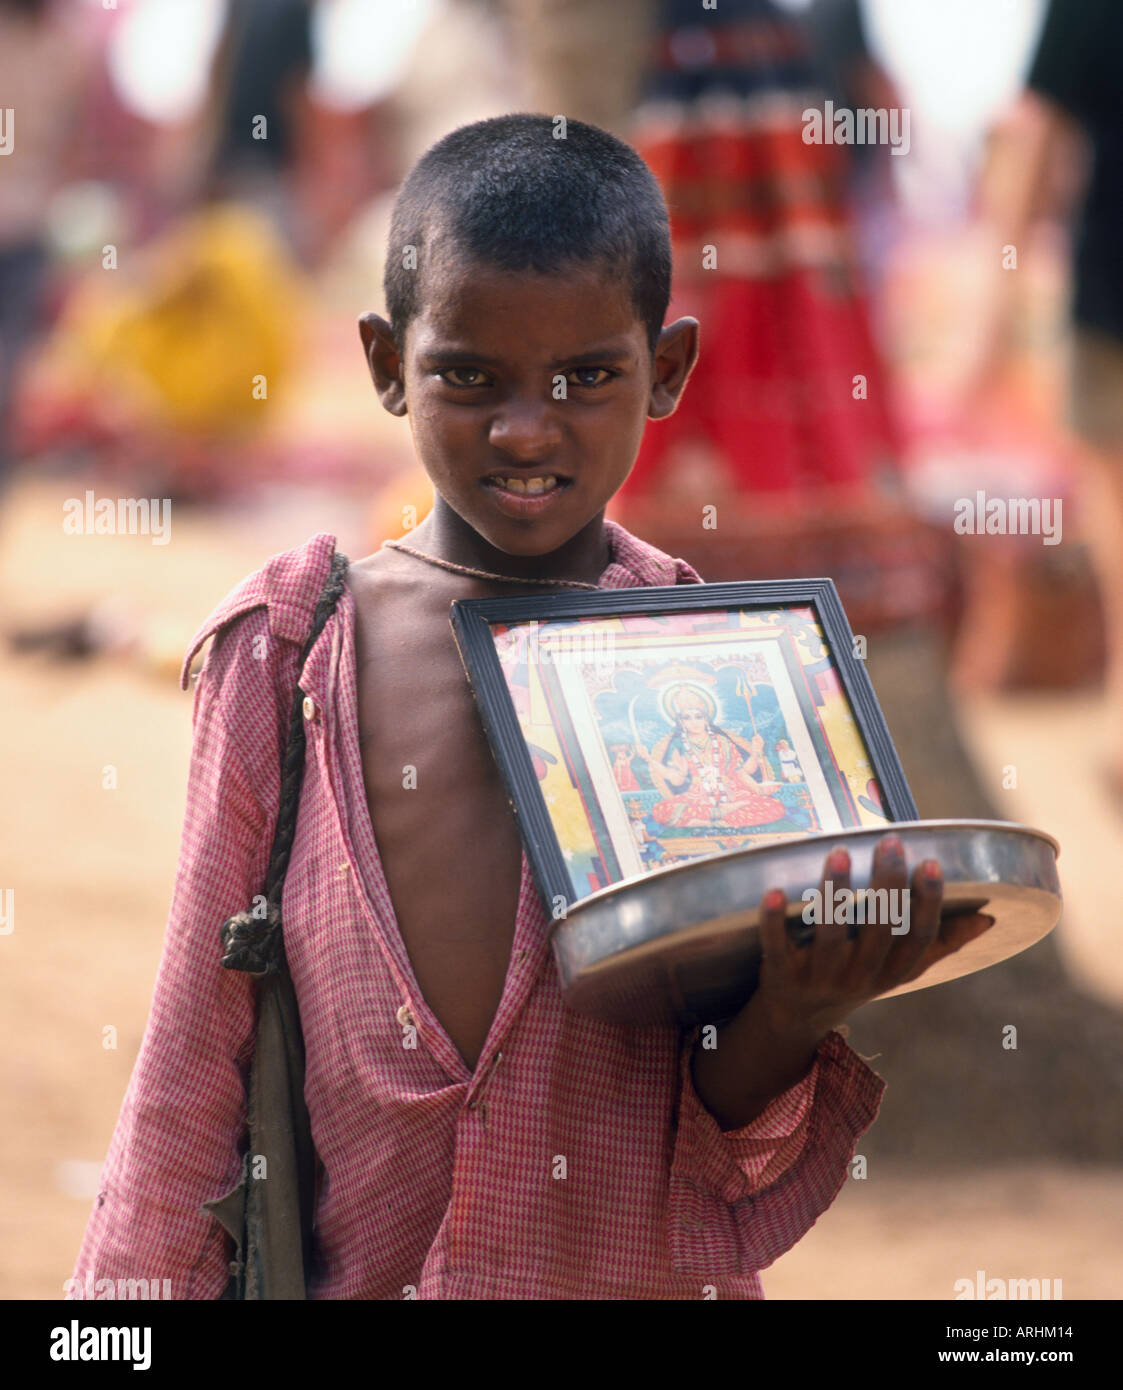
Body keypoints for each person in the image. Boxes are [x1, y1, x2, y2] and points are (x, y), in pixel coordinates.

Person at [71, 114, 990, 1300]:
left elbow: (706, 1107)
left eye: (586, 377)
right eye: (468, 375)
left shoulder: (718, 670)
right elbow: (193, 1058)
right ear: (384, 362)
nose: (525, 426)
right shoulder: (290, 657)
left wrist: (796, 1010)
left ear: (666, 372)